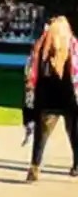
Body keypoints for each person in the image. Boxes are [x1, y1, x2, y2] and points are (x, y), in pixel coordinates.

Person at [23, 16, 78, 181]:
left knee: (41, 137)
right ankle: (76, 165)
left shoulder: (41, 48)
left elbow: (31, 72)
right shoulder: (73, 47)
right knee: (75, 134)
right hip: (70, 100)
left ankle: (35, 166)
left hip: (47, 100)